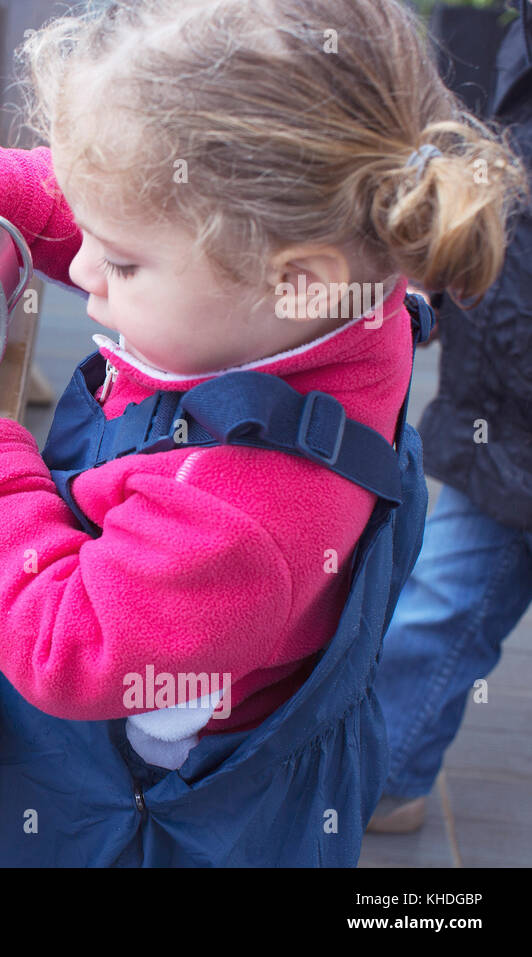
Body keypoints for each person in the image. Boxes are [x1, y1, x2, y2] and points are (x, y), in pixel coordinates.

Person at [0, 0, 526, 865]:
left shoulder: (246, 506)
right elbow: (147, 207)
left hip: (165, 809)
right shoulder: (327, 277)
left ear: (294, 278)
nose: (81, 270)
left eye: (118, 263)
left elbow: (70, 644)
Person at [369, 0, 532, 834]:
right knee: (437, 600)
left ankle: (384, 773)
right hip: (500, 418)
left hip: (505, 416)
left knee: (441, 601)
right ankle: (387, 775)